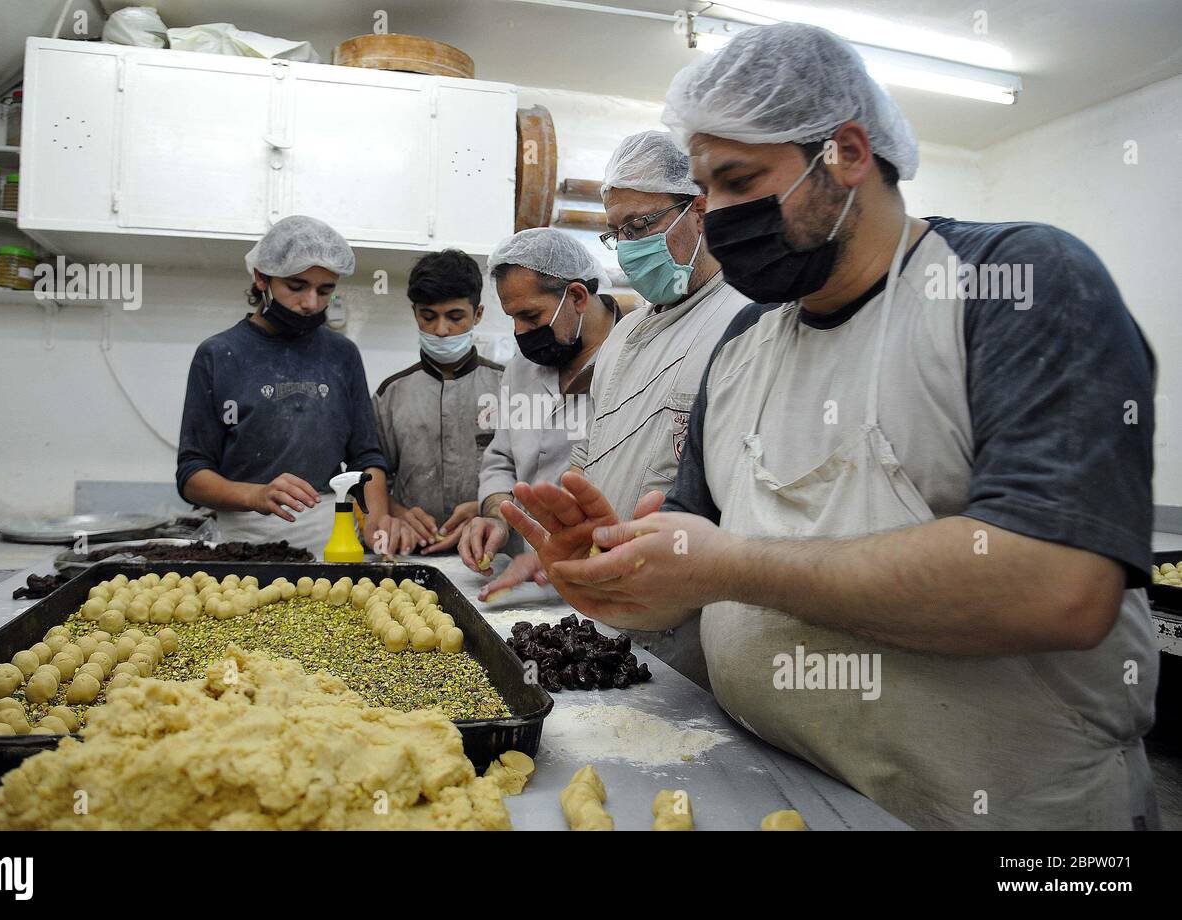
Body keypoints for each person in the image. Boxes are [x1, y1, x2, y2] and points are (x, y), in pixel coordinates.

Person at [500, 23, 1159, 830]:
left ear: (846, 153)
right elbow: (686, 564)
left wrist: (737, 567)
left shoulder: (1010, 285)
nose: (715, 218)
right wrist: (607, 578)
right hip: (775, 789)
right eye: (704, 192)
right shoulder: (746, 346)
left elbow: (1061, 588)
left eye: (740, 180)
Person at [549, 129, 746, 688]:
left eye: (641, 226)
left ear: (699, 212)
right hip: (607, 607)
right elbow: (593, 449)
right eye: (617, 233)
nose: (629, 245)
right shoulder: (626, 332)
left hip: (688, 627)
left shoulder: (745, 318)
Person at [176, 215, 417, 555]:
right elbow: (191, 474)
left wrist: (375, 519)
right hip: (242, 540)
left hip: (330, 536)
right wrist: (255, 495)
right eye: (296, 286)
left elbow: (367, 456)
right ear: (262, 278)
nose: (311, 304)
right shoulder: (218, 355)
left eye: (325, 290)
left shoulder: (342, 354)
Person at [458, 228, 619, 595]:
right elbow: (500, 459)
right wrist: (497, 515)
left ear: (577, 296)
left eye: (530, 316)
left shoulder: (634, 359)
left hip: (606, 574)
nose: (520, 332)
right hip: (524, 577)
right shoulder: (521, 368)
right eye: (512, 317)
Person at [373, 249, 505, 555]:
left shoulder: (509, 386)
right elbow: (371, 477)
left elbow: (532, 475)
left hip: (493, 552)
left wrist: (490, 508)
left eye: (455, 317)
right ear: (415, 313)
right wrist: (396, 512)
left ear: (478, 314)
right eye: (428, 317)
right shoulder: (390, 394)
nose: (441, 330)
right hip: (410, 551)